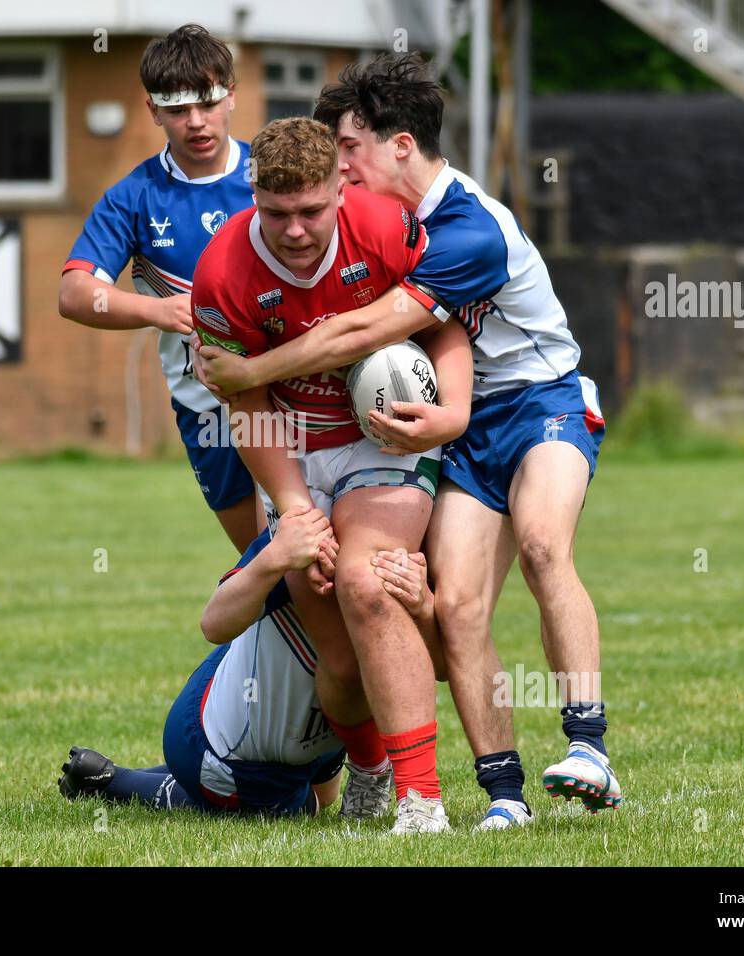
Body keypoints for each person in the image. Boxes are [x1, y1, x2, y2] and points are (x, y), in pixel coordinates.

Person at [193, 55, 620, 829]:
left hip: (532, 403)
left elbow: (371, 328)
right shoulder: (259, 254)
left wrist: (249, 366)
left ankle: (585, 743)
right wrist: (289, 499)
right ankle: (503, 796)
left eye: (348, 149)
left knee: (543, 549)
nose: (339, 167)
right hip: (435, 426)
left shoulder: (462, 230)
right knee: (449, 609)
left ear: (397, 146)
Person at [189, 117, 472, 833]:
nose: (294, 230)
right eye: (277, 214)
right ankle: (369, 769)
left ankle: (422, 800)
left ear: (340, 190)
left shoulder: (386, 227)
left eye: (311, 211)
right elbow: (244, 400)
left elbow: (442, 324)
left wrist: (453, 411)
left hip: (384, 439)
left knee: (365, 581)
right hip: (291, 450)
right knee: (341, 669)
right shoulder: (221, 274)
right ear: (253, 195)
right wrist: (291, 508)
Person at [58, 24, 259, 551]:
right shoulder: (135, 196)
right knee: (271, 568)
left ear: (232, 95)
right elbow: (75, 293)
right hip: (209, 412)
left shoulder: (273, 173)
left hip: (297, 399)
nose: (196, 122)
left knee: (326, 564)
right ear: (152, 111)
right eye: (177, 109)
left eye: (209, 102)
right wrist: (160, 311)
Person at [59, 507, 346, 815]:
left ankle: (109, 773)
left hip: (314, 713)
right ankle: (114, 781)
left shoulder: (384, 535)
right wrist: (276, 556)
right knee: (300, 803)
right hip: (213, 741)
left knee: (323, 793)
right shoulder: (314, 528)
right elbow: (214, 623)